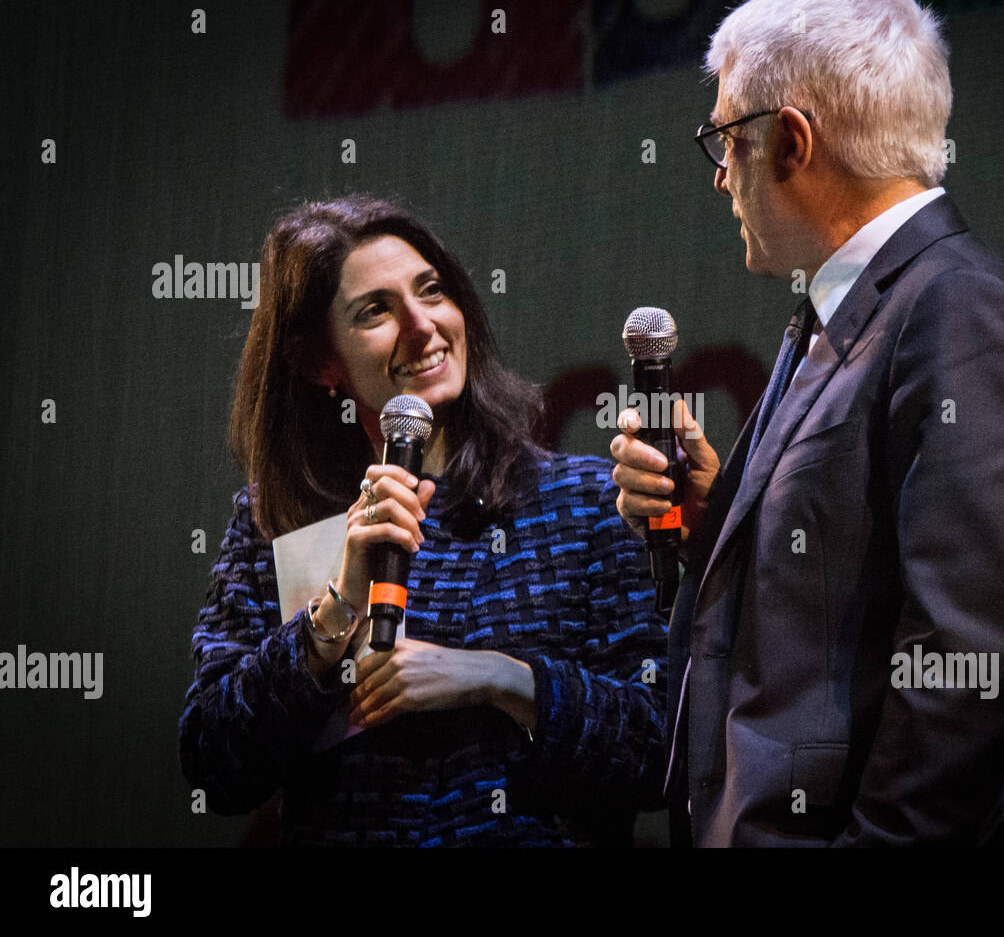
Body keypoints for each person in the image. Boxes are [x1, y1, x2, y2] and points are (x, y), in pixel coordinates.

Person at [611, 0, 1004, 846]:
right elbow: (847, 585)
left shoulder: (956, 311)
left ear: (793, 141)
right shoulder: (854, 308)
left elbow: (965, 664)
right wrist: (715, 519)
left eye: (727, 140)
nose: (721, 176)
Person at [179, 194, 666, 846]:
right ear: (320, 361)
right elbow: (214, 764)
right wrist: (333, 614)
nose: (422, 325)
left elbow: (656, 746)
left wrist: (499, 678)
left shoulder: (580, 503)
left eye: (431, 291)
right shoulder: (278, 521)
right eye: (375, 310)